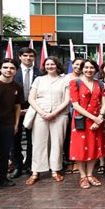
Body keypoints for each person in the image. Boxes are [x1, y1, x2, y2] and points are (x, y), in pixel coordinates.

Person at [26, 56, 70, 186]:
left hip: (60, 115)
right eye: (47, 64)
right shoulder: (39, 80)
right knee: (38, 143)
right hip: (41, 114)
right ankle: (35, 172)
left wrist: (55, 113)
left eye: (52, 64)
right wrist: (42, 112)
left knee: (57, 143)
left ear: (57, 65)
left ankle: (55, 170)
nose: (50, 66)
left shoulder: (65, 80)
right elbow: (31, 98)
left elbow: (67, 100)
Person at [69, 59, 105, 188]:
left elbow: (104, 103)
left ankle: (90, 174)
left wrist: (100, 116)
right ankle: (82, 176)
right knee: (80, 148)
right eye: (86, 67)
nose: (88, 70)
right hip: (81, 121)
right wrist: (94, 118)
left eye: (91, 68)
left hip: (97, 120)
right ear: (81, 69)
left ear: (96, 69)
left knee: (94, 146)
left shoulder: (100, 84)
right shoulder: (75, 83)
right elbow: (75, 105)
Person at [0, 58, 23, 188]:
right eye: (6, 67)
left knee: (5, 153)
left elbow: (17, 106)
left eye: (12, 68)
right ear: (0, 69)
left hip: (7, 124)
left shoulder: (17, 87)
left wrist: (16, 123)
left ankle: (2, 178)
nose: (9, 70)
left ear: (16, 71)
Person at [12, 47, 41, 178]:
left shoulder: (39, 73)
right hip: (15, 110)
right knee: (14, 140)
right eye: (25, 56)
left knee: (32, 140)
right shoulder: (12, 71)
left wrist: (32, 107)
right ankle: (17, 165)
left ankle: (30, 165)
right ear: (20, 57)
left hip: (34, 109)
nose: (28, 58)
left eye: (31, 56)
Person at [63, 58, 84, 174]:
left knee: (78, 136)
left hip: (81, 112)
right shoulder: (65, 78)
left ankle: (77, 161)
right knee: (67, 136)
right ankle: (69, 161)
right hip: (66, 110)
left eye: (81, 65)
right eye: (76, 64)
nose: (78, 67)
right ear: (72, 65)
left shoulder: (85, 78)